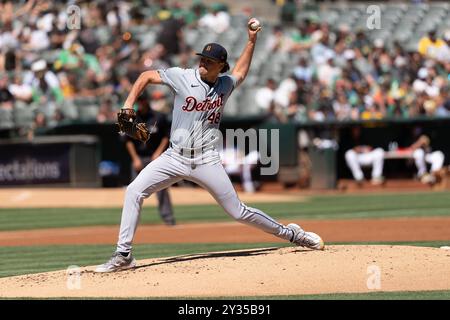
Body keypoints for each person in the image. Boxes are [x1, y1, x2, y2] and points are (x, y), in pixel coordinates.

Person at [95, 18, 324, 273]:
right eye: (202, 58)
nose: (203, 63)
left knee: (238, 212)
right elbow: (146, 76)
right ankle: (123, 254)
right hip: (175, 157)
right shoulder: (182, 76)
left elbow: (241, 72)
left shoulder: (225, 85)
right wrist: (128, 104)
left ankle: (292, 234)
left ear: (220, 66)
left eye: (209, 61)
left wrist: (251, 40)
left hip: (206, 160)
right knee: (134, 191)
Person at [124, 93, 175, 225]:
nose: (141, 103)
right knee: (134, 191)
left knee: (162, 189)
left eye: (142, 100)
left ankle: (168, 220)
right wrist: (135, 158)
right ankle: (132, 222)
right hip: (140, 157)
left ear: (147, 101)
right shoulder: (132, 118)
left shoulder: (159, 116)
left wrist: (158, 153)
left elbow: (166, 136)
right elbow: (127, 141)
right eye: (138, 101)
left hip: (156, 159)